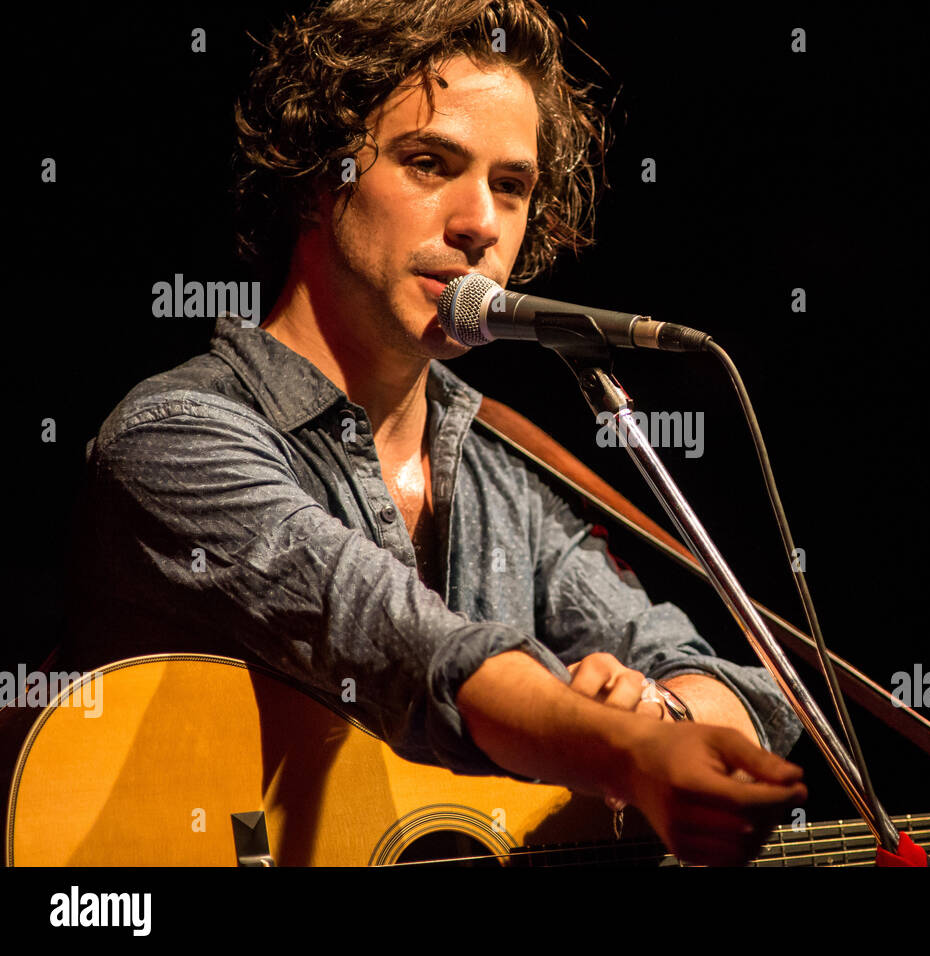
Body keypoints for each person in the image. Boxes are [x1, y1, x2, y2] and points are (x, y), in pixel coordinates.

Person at [52, 0, 805, 866]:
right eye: (429, 162)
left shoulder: (501, 472)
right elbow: (399, 639)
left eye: (511, 186)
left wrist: (660, 717)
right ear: (312, 171)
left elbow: (738, 687)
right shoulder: (173, 440)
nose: (481, 221)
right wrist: (620, 752)